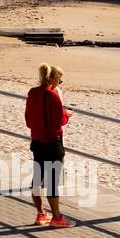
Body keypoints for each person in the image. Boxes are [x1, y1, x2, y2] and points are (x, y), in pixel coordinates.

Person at [25, 64, 74, 228]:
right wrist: (67, 115)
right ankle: (57, 217)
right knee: (53, 181)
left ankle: (40, 213)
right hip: (52, 142)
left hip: (37, 141)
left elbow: (28, 121)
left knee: (37, 179)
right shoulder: (53, 96)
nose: (59, 83)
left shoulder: (32, 93)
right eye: (59, 80)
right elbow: (59, 121)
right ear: (52, 79)